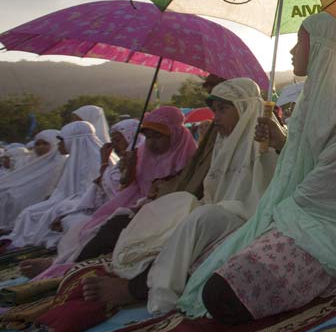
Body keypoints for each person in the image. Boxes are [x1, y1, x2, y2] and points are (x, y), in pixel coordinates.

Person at [172, 12, 336, 324]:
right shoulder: (317, 92)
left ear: (322, 45)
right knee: (205, 261)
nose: (292, 51)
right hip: (306, 214)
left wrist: (278, 212)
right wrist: (282, 142)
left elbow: (335, 183)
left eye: (299, 42)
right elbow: (306, 158)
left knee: (220, 292)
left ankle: (332, 271)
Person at [80, 79, 278, 313]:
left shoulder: (268, 138)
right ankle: (134, 268)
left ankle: (144, 289)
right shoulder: (225, 142)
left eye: (223, 110)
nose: (216, 118)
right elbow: (212, 190)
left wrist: (274, 144)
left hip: (249, 215)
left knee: (201, 218)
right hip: (220, 208)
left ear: (244, 108)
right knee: (174, 204)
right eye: (214, 111)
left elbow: (263, 196)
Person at [24, 108, 197, 278]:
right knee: (98, 226)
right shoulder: (143, 153)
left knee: (117, 224)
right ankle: (65, 265)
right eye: (148, 137)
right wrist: (128, 169)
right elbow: (128, 186)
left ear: (174, 134)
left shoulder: (189, 155)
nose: (151, 142)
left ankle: (69, 267)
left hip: (172, 212)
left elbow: (184, 192)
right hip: (140, 205)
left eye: (158, 136)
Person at [5, 121, 103, 249]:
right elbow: (64, 190)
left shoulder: (94, 160)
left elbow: (91, 192)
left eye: (61, 140)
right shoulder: (72, 160)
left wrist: (67, 204)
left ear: (72, 140)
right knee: (29, 212)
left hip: (84, 203)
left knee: (53, 212)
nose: (59, 145)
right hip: (69, 199)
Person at [0, 130, 66, 231]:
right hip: (28, 193)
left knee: (16, 199)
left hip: (46, 198)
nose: (40, 147)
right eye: (37, 144)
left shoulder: (61, 162)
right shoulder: (31, 161)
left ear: (54, 144)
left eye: (45, 143)